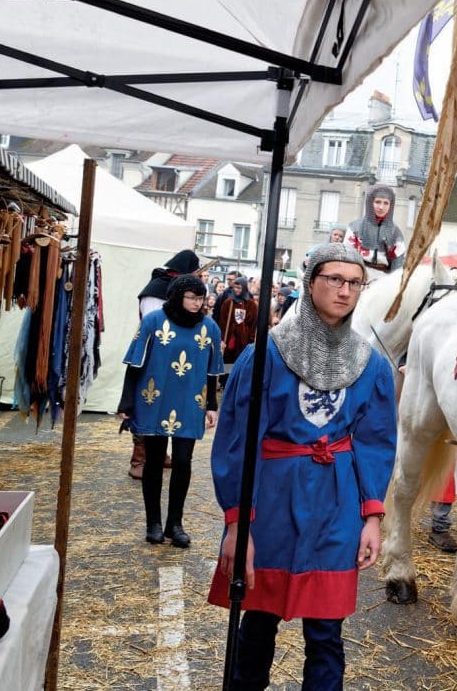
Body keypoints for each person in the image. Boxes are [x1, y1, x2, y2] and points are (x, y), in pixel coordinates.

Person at [208, 243, 396, 689]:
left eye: (354, 282)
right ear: (311, 281)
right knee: (257, 624)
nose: (345, 291)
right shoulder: (265, 355)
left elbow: (375, 444)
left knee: (327, 631)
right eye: (334, 279)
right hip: (272, 502)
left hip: (336, 506)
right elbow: (238, 443)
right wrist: (238, 525)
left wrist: (371, 517)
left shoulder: (370, 365)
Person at [118, 276, 223, 547]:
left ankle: (174, 523)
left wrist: (212, 404)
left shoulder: (209, 327)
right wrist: (126, 402)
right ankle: (153, 522)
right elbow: (134, 363)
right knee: (153, 462)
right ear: (178, 296)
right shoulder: (153, 321)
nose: (198, 303)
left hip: (191, 402)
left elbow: (212, 371)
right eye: (192, 297)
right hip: (154, 399)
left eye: (201, 298)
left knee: (183, 462)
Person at [129, 249, 201, 479]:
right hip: (153, 356)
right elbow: (155, 326)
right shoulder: (156, 289)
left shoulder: (177, 289)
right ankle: (139, 460)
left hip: (174, 359)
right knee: (149, 404)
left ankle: (160, 456)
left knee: (169, 405)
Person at [344, 184, 405, 278]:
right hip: (358, 276)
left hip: (383, 279)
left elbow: (398, 265)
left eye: (386, 203)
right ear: (370, 203)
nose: (381, 207)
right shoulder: (355, 227)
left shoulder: (395, 232)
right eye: (377, 202)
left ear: (390, 205)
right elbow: (347, 256)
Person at [216, 276, 258, 372]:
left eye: (239, 288)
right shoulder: (228, 303)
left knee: (240, 363)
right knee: (227, 363)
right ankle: (225, 383)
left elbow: (253, 325)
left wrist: (250, 340)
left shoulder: (251, 305)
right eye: (235, 287)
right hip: (229, 338)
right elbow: (222, 322)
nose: (236, 290)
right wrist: (222, 339)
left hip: (244, 340)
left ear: (244, 288)